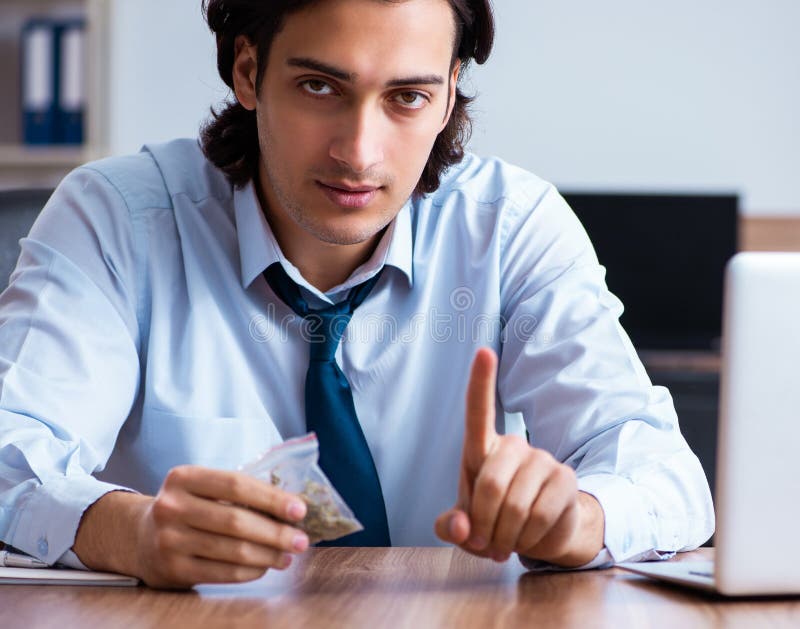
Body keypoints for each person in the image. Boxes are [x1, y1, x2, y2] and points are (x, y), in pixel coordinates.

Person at [0, 0, 713, 589]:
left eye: (407, 97)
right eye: (319, 87)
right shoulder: (117, 220)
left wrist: (580, 517)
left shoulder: (511, 228)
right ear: (248, 71)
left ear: (447, 95)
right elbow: (9, 455)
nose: (360, 152)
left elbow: (667, 477)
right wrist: (132, 530)